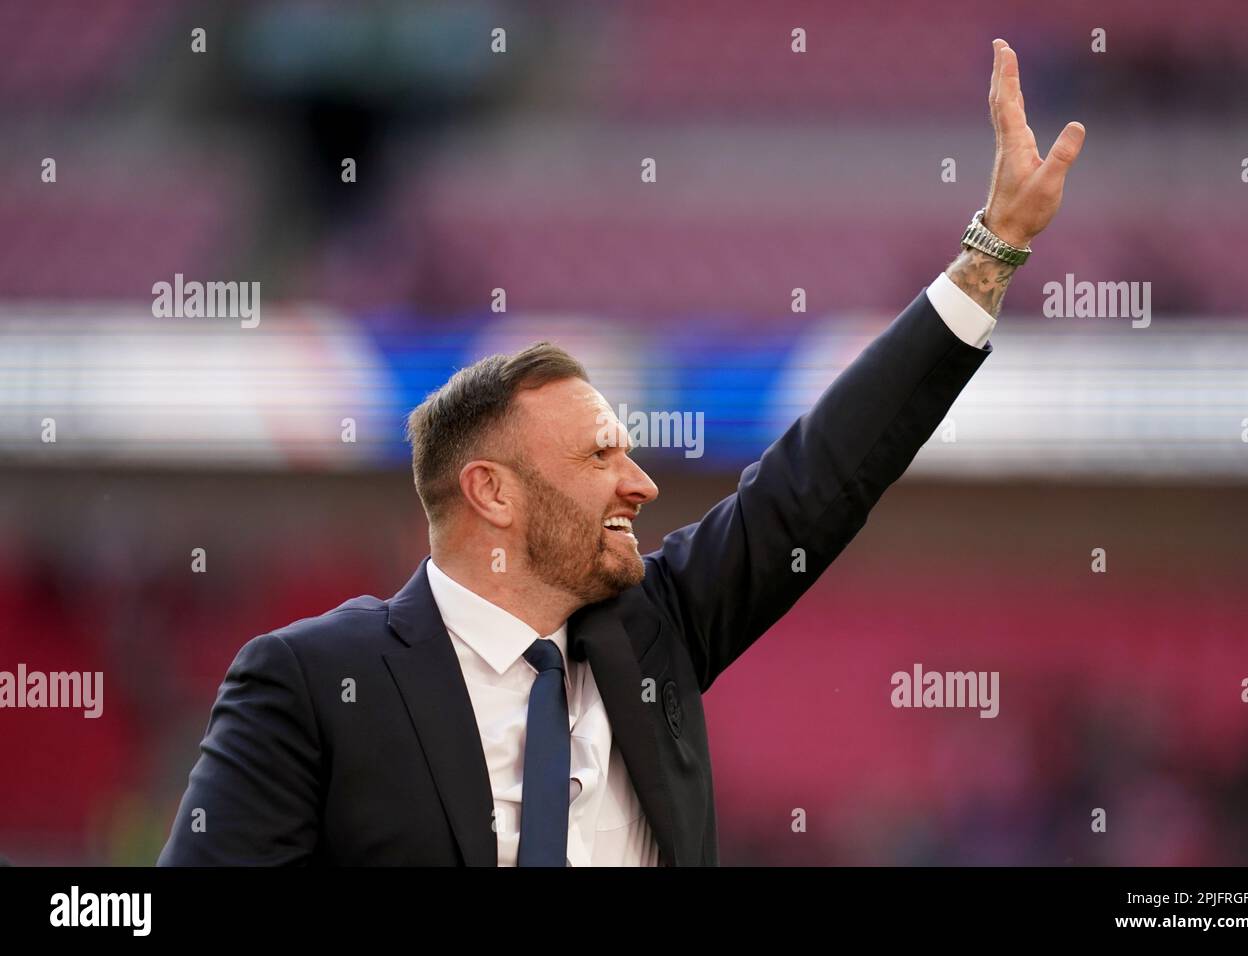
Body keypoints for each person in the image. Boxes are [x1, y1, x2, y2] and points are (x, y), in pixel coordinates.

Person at [158, 40, 1084, 866]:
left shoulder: (657, 630)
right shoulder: (313, 680)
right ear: (493, 493)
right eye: (600, 457)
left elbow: (817, 481)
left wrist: (990, 254)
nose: (640, 484)